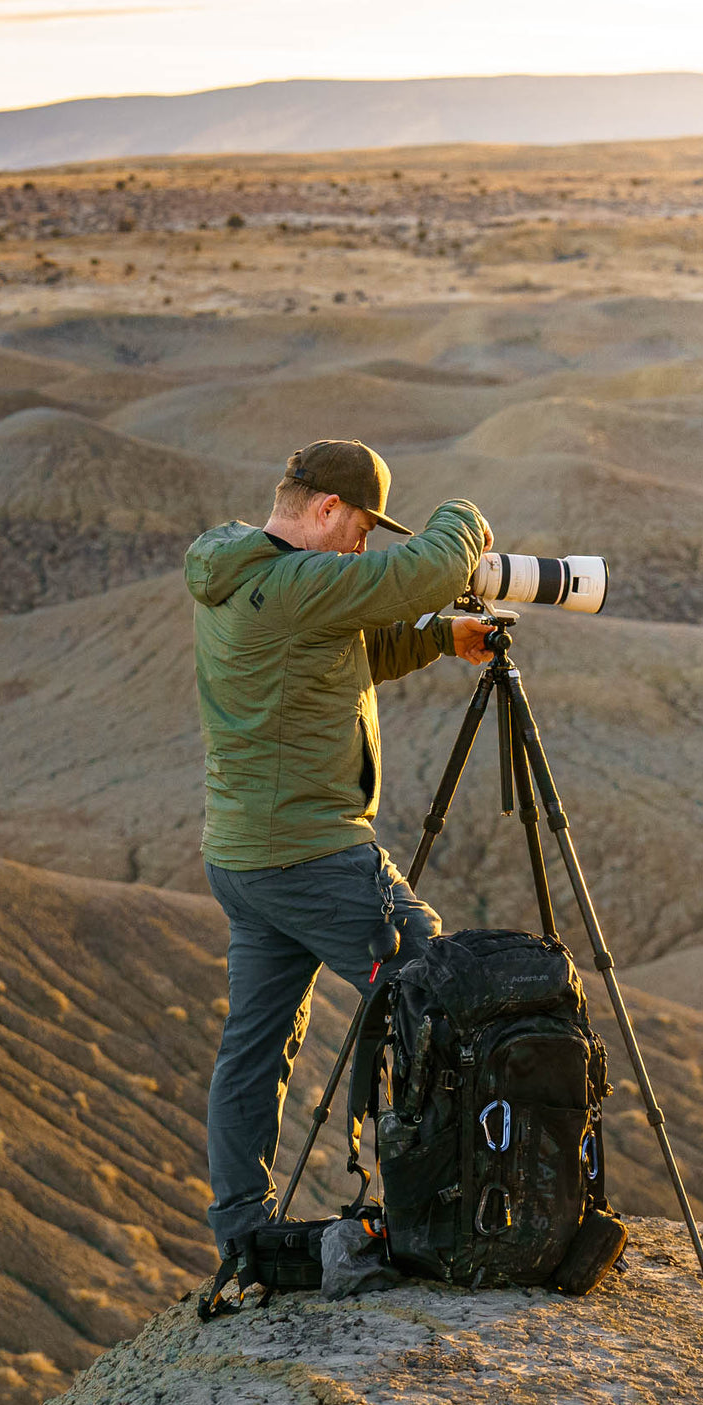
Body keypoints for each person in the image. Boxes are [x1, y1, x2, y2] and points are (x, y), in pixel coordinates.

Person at [184, 438, 492, 1252]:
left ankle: (243, 1233)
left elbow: (351, 648)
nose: (363, 546)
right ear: (326, 509)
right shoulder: (295, 583)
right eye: (361, 528)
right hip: (310, 855)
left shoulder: (247, 576)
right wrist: (466, 520)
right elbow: (421, 573)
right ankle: (446, 1206)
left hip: (246, 859)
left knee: (255, 1046)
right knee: (438, 990)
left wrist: (441, 637)